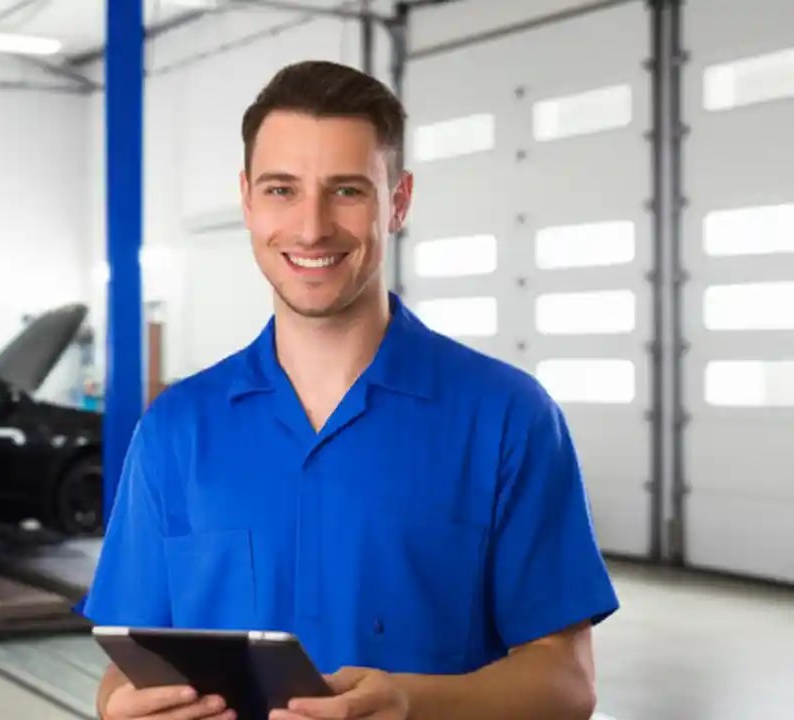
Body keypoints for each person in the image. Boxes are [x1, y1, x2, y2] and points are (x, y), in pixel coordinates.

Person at [82, 60, 620, 720]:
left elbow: (567, 683)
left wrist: (412, 704)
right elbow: (124, 668)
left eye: (346, 191)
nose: (311, 228)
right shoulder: (175, 431)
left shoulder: (507, 417)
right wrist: (121, 709)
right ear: (247, 199)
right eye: (282, 190)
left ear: (398, 201)